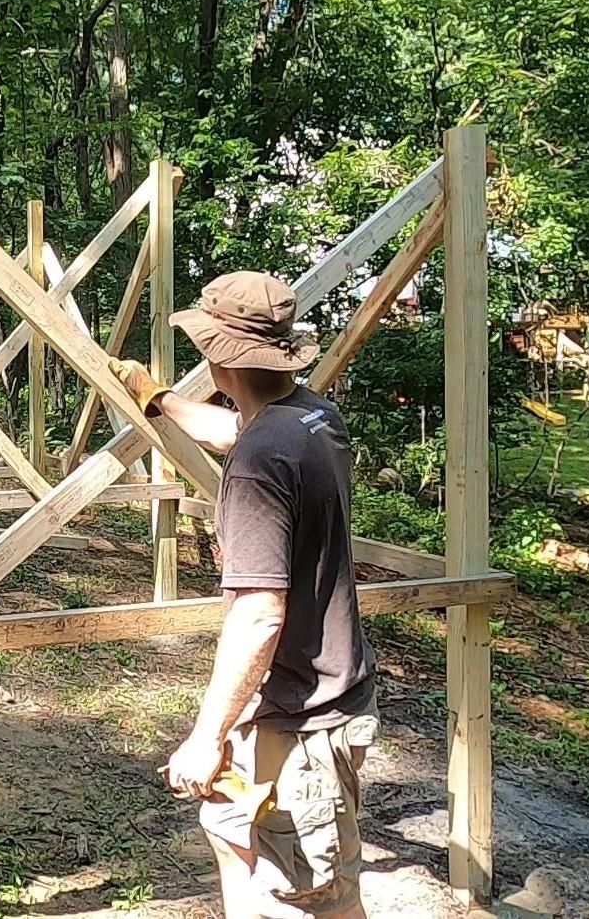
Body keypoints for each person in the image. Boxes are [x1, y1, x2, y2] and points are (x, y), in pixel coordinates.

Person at [110, 270, 378, 919]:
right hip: (311, 700)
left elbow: (259, 613)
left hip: (298, 719)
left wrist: (206, 735)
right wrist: (159, 398)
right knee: (234, 836)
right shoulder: (313, 417)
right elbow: (238, 432)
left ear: (218, 356)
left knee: (310, 896)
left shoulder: (260, 462)